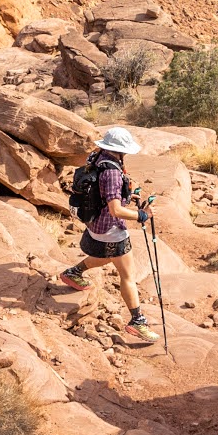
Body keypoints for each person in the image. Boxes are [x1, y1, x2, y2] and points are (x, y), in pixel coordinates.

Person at [55, 127, 161, 343]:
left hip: (95, 222)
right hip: (111, 228)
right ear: (120, 149)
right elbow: (115, 210)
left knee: (109, 256)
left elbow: (104, 192)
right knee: (128, 276)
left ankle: (74, 272)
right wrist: (141, 215)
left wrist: (128, 194)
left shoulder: (97, 157)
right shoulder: (112, 172)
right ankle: (137, 321)